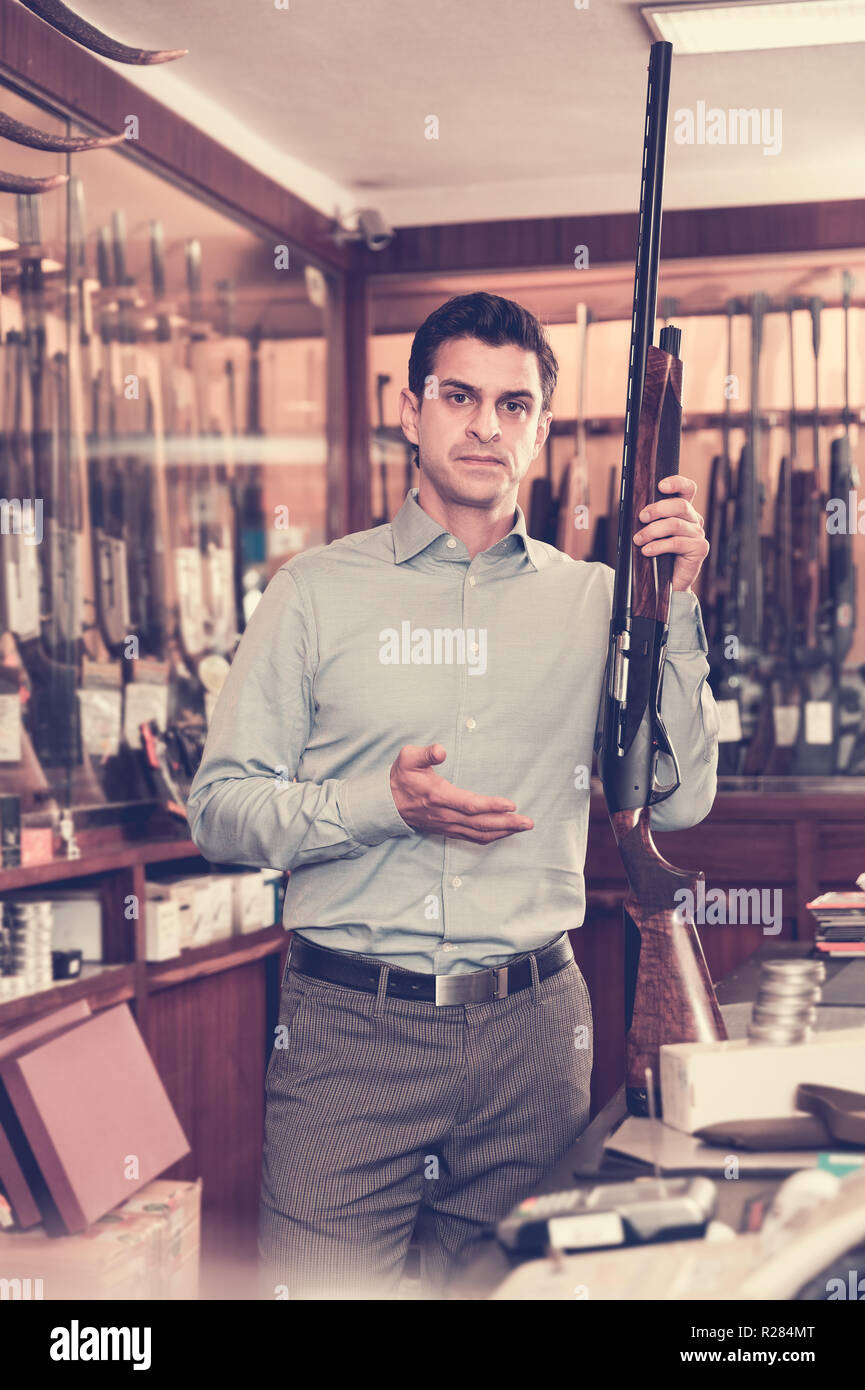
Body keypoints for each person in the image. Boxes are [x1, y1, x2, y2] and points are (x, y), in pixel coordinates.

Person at [186, 291, 719, 1299]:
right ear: (409, 408)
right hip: (348, 1035)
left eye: (514, 404)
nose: (486, 424)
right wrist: (377, 804)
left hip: (534, 1038)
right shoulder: (313, 592)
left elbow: (681, 801)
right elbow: (219, 810)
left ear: (543, 429)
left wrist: (679, 606)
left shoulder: (600, 601)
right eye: (460, 396)